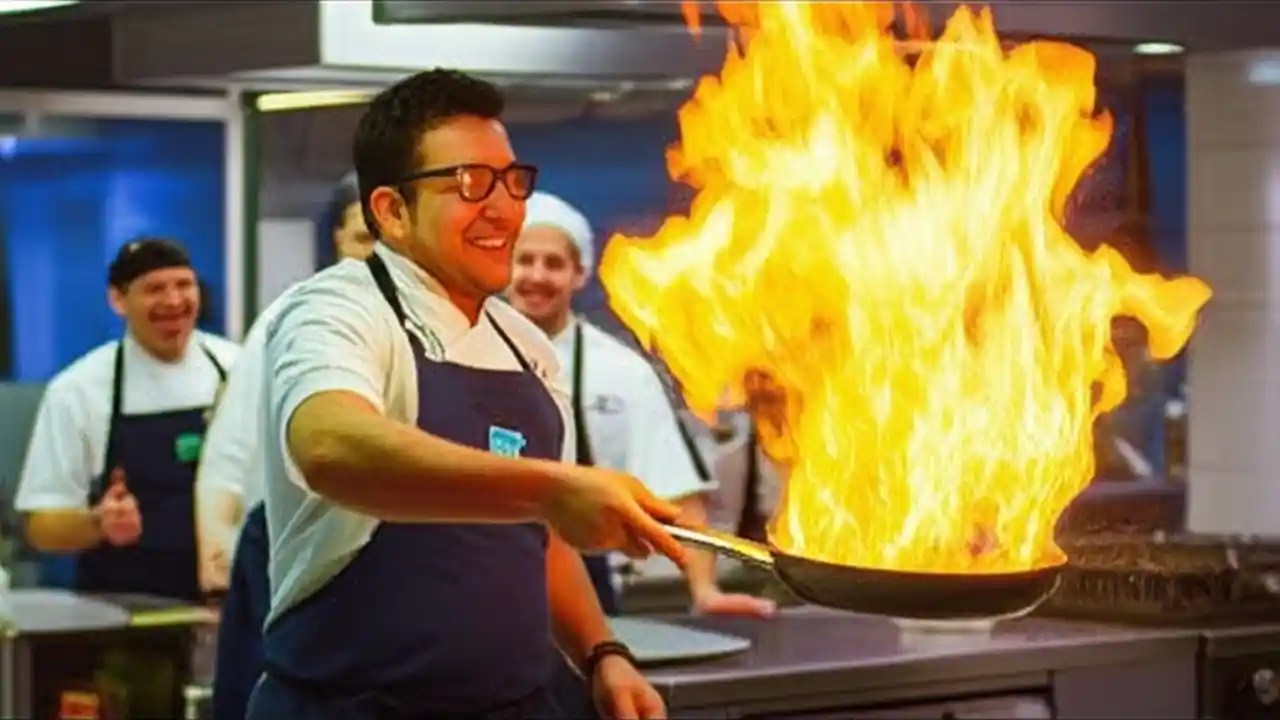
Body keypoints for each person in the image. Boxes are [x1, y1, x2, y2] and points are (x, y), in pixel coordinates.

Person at [245, 68, 687, 720]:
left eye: (512, 182)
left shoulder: (525, 345)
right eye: (470, 184)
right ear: (392, 211)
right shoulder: (337, 308)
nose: (504, 208)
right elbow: (330, 447)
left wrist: (602, 652)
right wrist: (551, 487)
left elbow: (540, 537)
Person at [508, 190, 777, 619]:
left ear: (580, 275)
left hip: (591, 595)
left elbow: (678, 492)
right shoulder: (464, 348)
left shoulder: (623, 371)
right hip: (484, 580)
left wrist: (704, 589)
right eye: (525, 260)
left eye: (554, 263)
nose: (537, 275)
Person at [196, 174, 372, 720]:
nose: (377, 253)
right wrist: (215, 548)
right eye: (363, 238)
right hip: (284, 559)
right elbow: (230, 453)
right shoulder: (292, 317)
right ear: (337, 242)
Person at [14, 238, 239, 601]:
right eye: (154, 289)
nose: (173, 301)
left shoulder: (239, 369)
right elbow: (42, 527)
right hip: (126, 615)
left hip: (234, 606)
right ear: (118, 300)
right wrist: (97, 524)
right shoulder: (78, 390)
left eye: (184, 285)